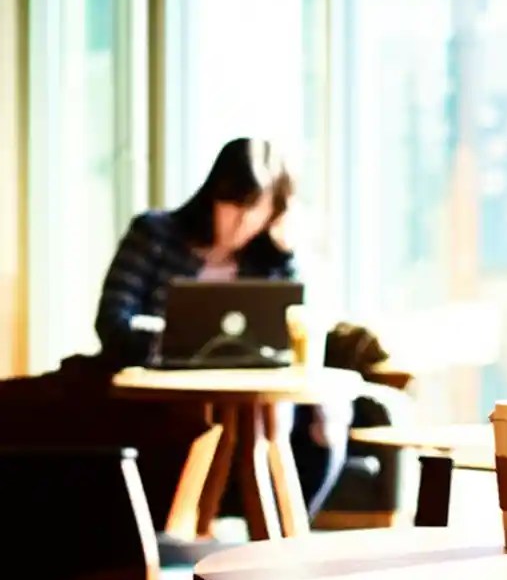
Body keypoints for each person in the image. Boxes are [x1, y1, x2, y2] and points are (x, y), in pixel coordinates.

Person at [94, 137, 348, 518]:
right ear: (212, 195)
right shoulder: (154, 234)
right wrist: (177, 339)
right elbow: (113, 321)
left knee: (312, 412)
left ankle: (278, 534)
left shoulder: (269, 260)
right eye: (233, 205)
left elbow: (294, 325)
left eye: (257, 210)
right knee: (212, 420)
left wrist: (287, 252)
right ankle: (189, 532)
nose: (242, 222)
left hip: (256, 405)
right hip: (170, 396)